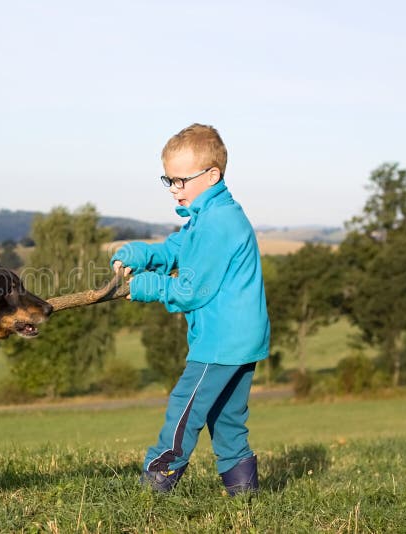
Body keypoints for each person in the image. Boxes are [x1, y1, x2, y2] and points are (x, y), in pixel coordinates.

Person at [111, 123, 270, 496]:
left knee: (185, 410)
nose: (174, 188)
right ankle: (245, 496)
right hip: (241, 339)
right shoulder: (212, 216)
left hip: (220, 341)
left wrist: (145, 285)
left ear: (212, 175)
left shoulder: (217, 223)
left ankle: (155, 483)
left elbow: (190, 291)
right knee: (226, 419)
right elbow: (177, 249)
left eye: (181, 180)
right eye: (168, 180)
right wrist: (140, 254)